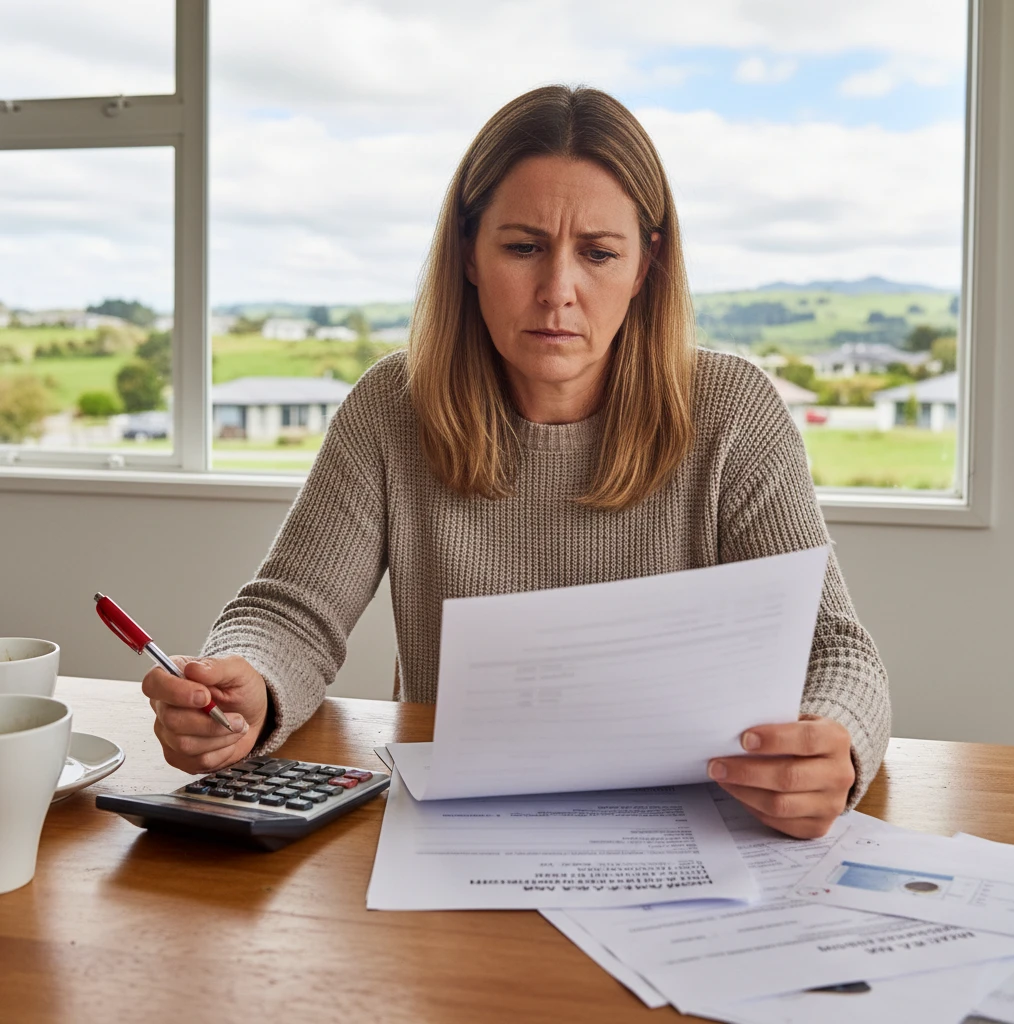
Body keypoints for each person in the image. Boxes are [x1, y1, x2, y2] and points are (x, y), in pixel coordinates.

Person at [143, 85, 889, 839]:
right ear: (469, 251)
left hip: (684, 823)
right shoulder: (391, 406)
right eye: (523, 247)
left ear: (646, 266)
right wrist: (247, 686)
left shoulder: (733, 410)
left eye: (599, 253)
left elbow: (837, 647)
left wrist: (836, 745)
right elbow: (291, 613)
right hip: (462, 826)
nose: (557, 292)